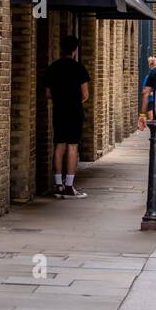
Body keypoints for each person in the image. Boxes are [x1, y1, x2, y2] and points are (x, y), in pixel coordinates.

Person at [43, 34, 90, 199]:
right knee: (72, 146)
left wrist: (60, 97)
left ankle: (58, 185)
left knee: (59, 145)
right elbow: (85, 94)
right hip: (74, 111)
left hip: (59, 110)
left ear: (61, 49)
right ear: (75, 50)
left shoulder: (53, 67)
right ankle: (69, 186)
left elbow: (48, 93)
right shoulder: (79, 68)